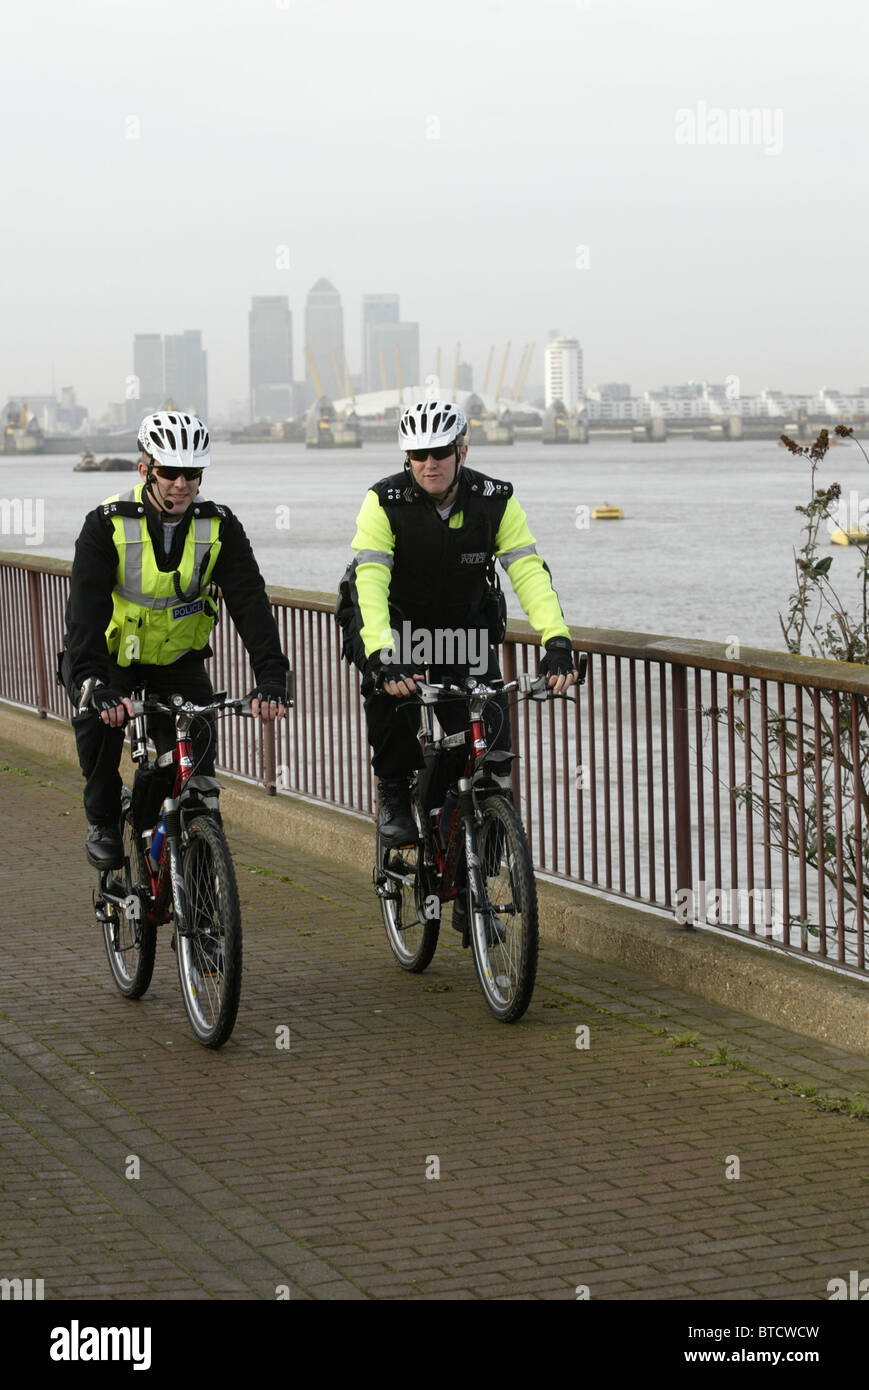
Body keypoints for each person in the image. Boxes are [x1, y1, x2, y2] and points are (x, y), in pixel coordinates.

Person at [339, 397, 578, 862]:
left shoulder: (495, 499)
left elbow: (527, 569)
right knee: (393, 702)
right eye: (418, 455)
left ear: (462, 452)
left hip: (461, 631)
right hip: (394, 626)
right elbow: (369, 581)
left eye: (441, 452)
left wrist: (557, 640)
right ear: (406, 458)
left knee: (490, 748)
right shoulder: (383, 502)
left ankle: (476, 869)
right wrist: (383, 654)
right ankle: (393, 792)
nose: (429, 464)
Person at [61, 410, 290, 867]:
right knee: (99, 735)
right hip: (110, 660)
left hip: (179, 663)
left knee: (196, 770)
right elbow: (85, 612)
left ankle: (202, 900)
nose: (181, 484)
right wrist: (91, 682)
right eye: (170, 472)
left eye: (192, 474)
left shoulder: (219, 526)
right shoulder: (106, 524)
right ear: (146, 469)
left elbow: (250, 602)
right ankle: (104, 820)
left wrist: (271, 675)